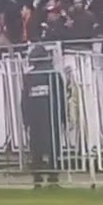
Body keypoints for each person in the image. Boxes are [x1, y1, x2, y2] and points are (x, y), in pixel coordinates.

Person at [21, 45, 64, 187]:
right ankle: (53, 176)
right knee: (53, 146)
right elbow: (61, 97)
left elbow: (24, 100)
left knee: (36, 147)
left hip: (35, 118)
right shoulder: (54, 75)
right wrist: (62, 117)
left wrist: (26, 119)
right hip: (52, 116)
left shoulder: (29, 77)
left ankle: (37, 177)